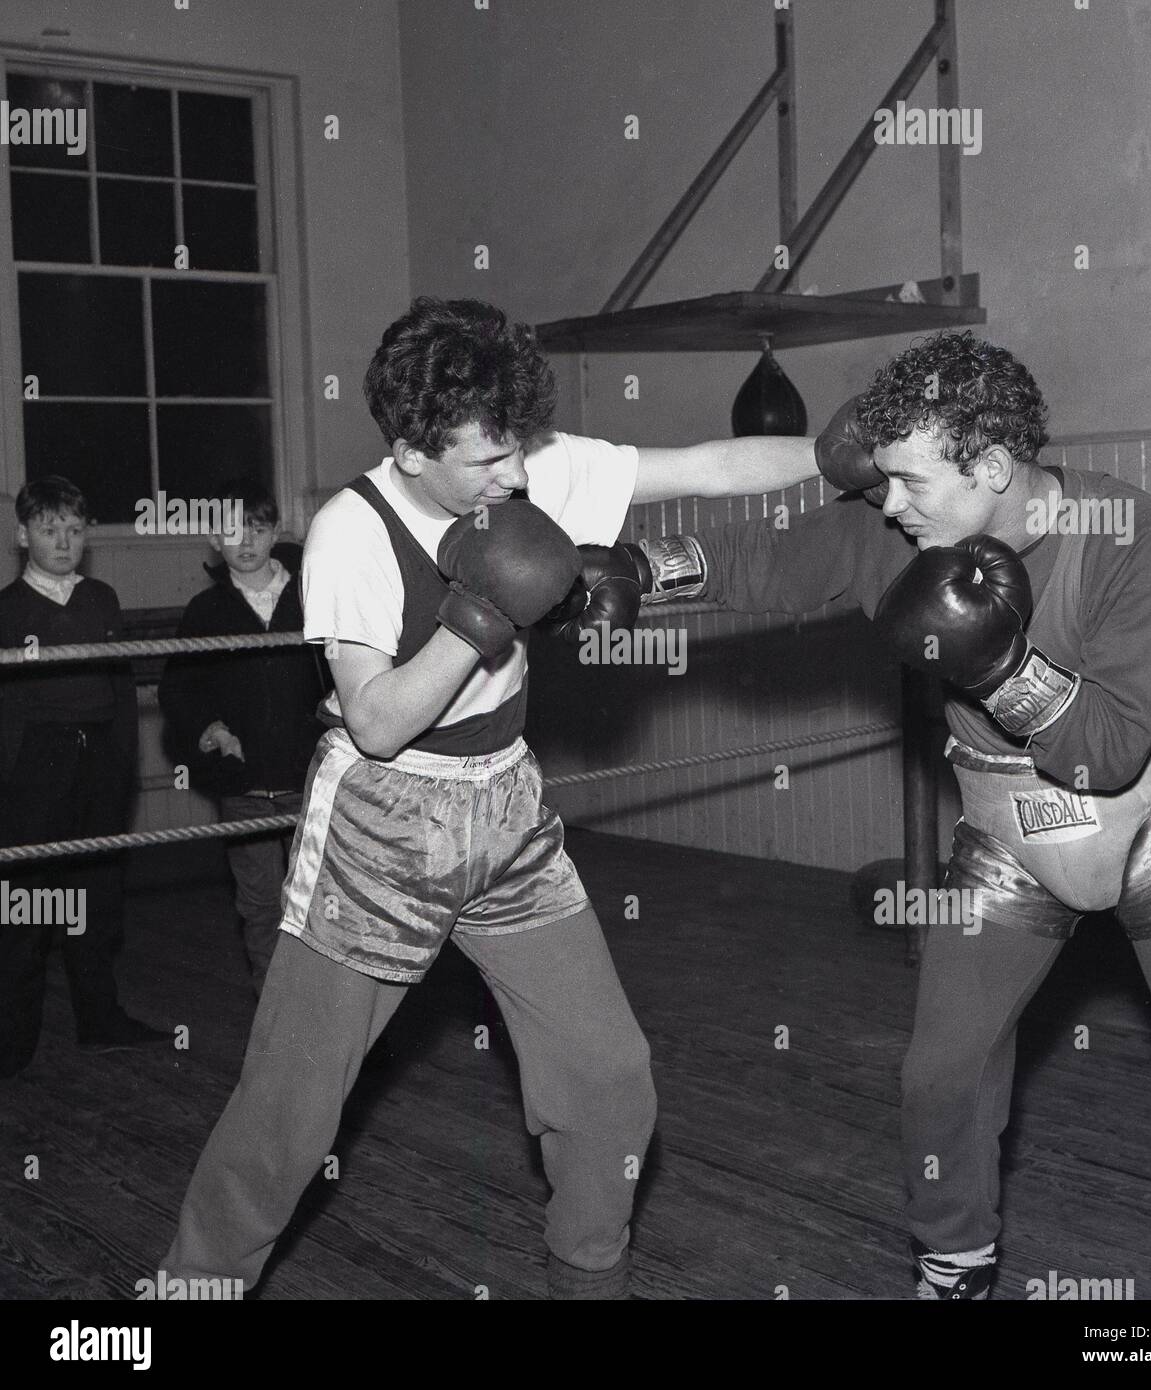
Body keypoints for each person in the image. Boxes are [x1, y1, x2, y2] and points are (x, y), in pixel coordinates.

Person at [159, 295, 819, 1298]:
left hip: (507, 807)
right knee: (292, 1103)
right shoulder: (352, 531)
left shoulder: (528, 462)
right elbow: (375, 719)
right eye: (485, 460)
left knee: (607, 1074)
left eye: (517, 449)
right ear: (412, 449)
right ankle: (184, 1291)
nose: (513, 477)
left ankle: (586, 1277)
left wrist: (856, 457)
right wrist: (475, 620)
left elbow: (712, 467)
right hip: (384, 820)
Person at [589, 330, 1151, 1298]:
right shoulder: (896, 531)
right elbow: (759, 559)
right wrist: (632, 569)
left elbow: (1110, 752)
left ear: (991, 468)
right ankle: (954, 1263)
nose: (887, 504)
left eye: (909, 481)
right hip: (1006, 843)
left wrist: (998, 662)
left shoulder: (1131, 532)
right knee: (940, 1074)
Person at [0, 475, 166, 1076]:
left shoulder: (101, 599)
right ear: (23, 535)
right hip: (35, 771)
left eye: (74, 530)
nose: (64, 541)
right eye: (49, 530)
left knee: (97, 897)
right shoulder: (8, 610)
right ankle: (12, 1043)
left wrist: (122, 764)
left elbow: (121, 688)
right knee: (29, 906)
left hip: (98, 763)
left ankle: (100, 1020)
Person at [157, 477, 327, 994]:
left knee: (319, 899)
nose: (246, 541)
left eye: (257, 528)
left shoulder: (312, 598)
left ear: (276, 531)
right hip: (244, 784)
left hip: (310, 779)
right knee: (258, 903)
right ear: (213, 540)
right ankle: (273, 1017)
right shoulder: (204, 613)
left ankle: (321, 1013)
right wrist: (209, 728)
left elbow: (345, 671)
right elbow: (179, 689)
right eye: (232, 531)